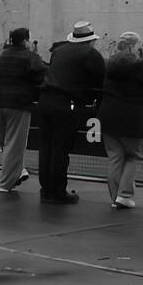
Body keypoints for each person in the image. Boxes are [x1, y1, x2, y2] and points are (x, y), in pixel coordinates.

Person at [38, 21, 105, 204]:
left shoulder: (58, 51)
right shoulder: (91, 54)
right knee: (61, 149)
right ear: (91, 40)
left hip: (45, 102)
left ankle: (46, 190)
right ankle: (58, 191)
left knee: (46, 148)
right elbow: (101, 81)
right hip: (66, 104)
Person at [0, 28, 46, 194]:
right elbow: (42, 76)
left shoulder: (3, 56)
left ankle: (19, 171)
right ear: (26, 40)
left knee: (4, 142)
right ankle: (5, 184)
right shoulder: (30, 57)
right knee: (14, 143)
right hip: (17, 104)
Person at [98, 33, 143, 208]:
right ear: (131, 47)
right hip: (132, 116)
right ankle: (125, 194)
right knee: (134, 155)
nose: (141, 49)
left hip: (108, 114)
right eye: (139, 46)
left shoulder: (109, 65)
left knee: (114, 157)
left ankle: (115, 197)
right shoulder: (141, 66)